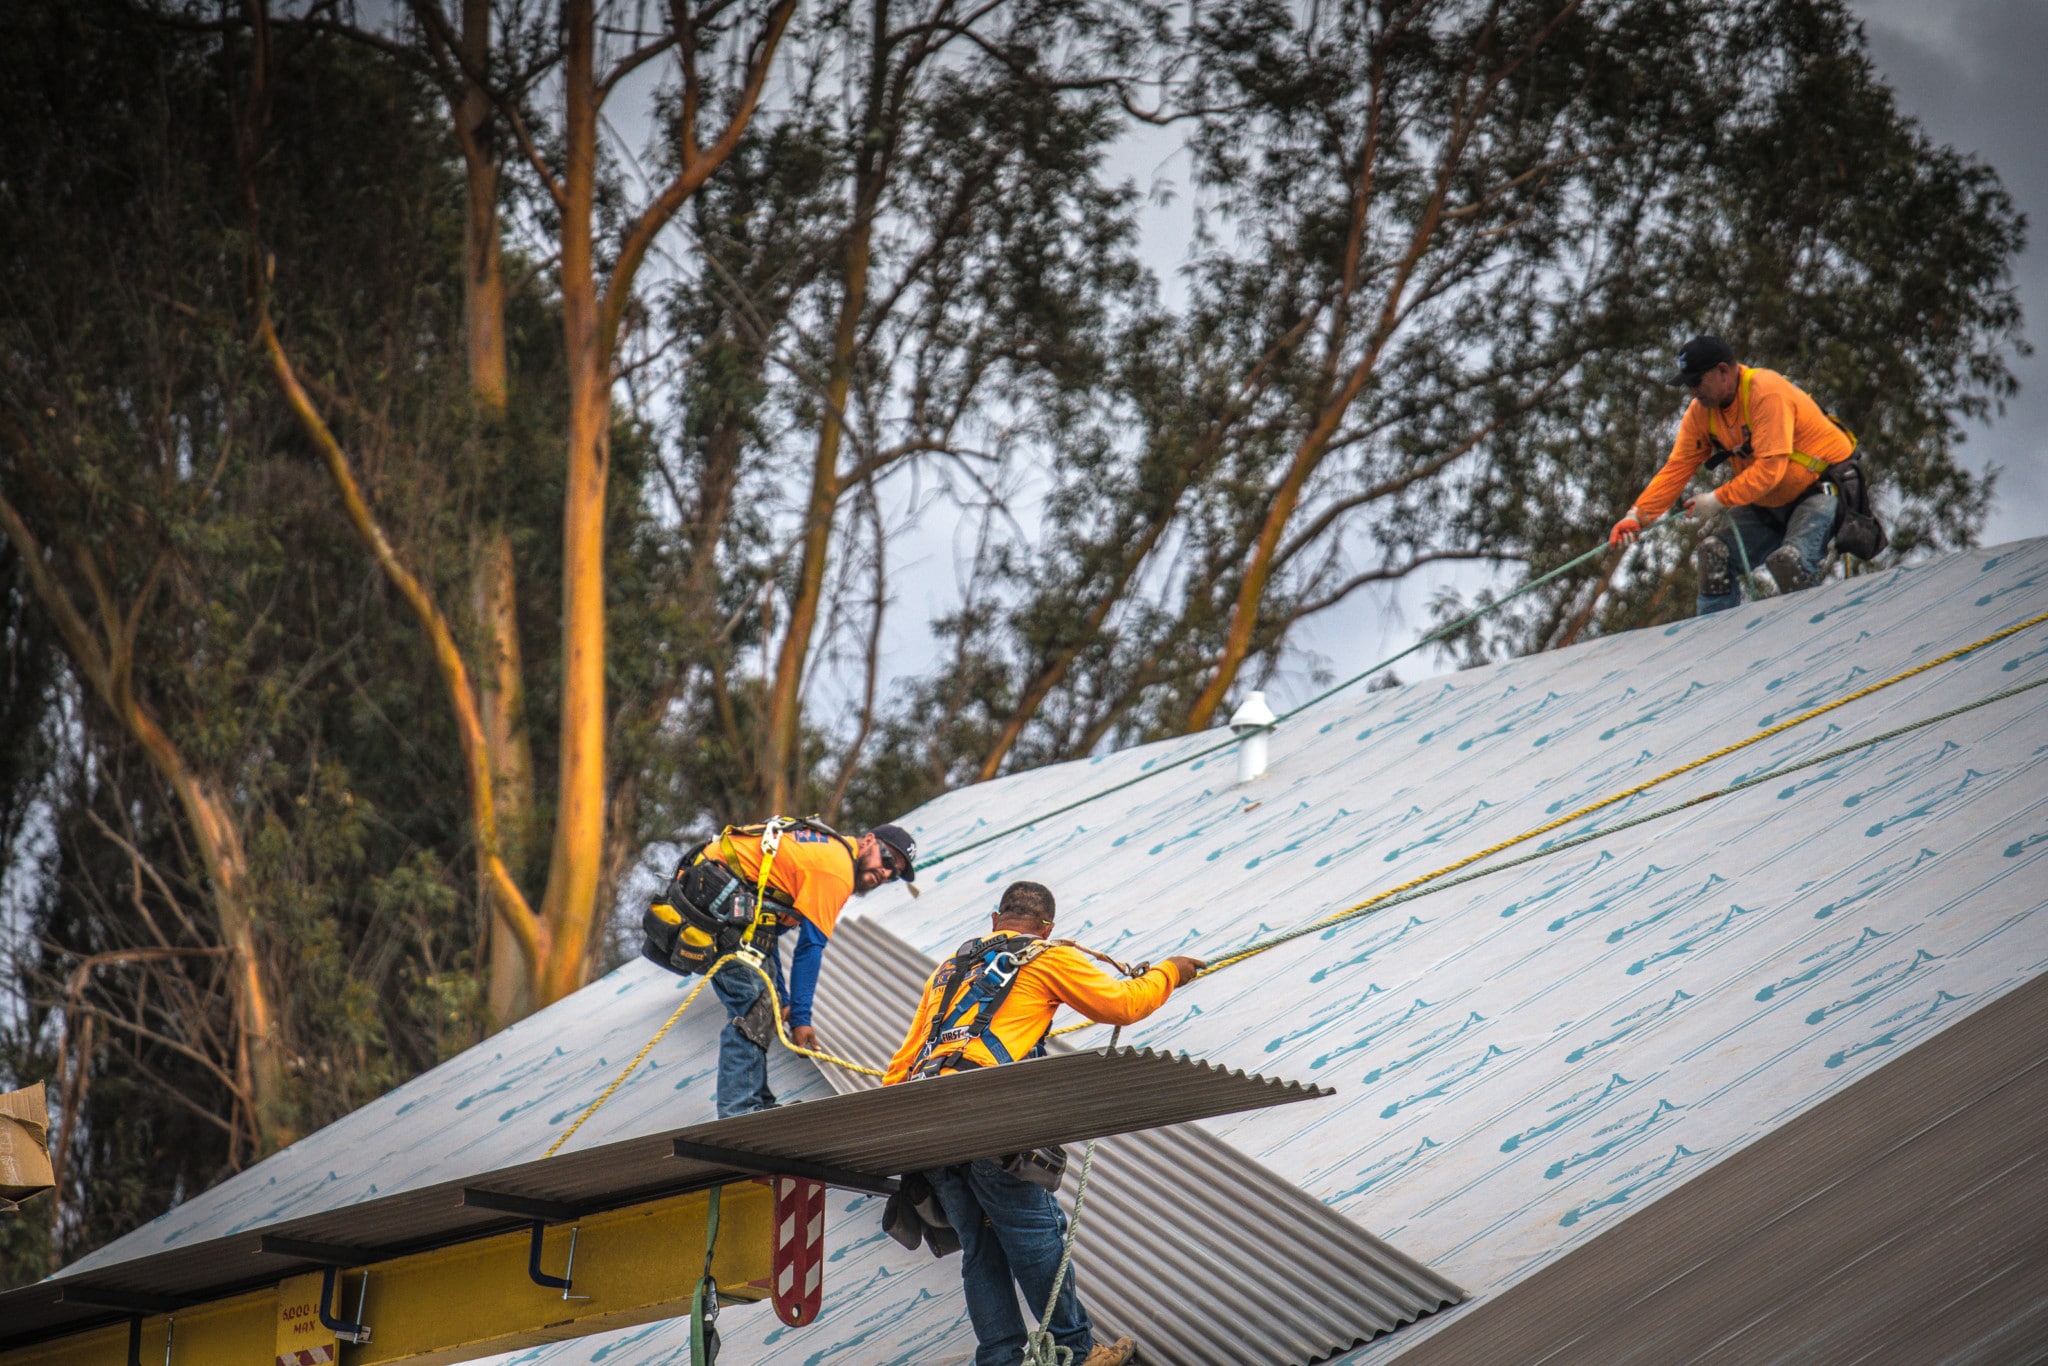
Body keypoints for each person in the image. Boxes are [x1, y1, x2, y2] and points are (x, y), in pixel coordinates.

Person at [882, 881, 1203, 1366]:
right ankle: (1077, 1352)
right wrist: (1170, 972)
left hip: (928, 1122)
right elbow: (1123, 1005)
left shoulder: (949, 969)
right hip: (989, 1120)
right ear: (1047, 928)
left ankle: (1000, 1359)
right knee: (1036, 1239)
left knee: (980, 1249)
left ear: (995, 920)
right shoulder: (1047, 957)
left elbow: (902, 1064)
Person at [1610, 336, 1857, 615]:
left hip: (1818, 492)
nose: (1692, 391)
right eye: (1688, 384)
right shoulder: (1702, 413)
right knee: (1714, 556)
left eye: (1696, 382)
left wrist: (1717, 499)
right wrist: (1637, 516)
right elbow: (1677, 467)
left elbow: (1769, 471)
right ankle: (1713, 645)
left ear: (1723, 371)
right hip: (1767, 502)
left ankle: (1809, 637)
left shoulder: (1766, 392)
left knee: (1790, 564)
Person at [703, 818, 917, 1117]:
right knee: (752, 1008)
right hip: (713, 897)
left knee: (767, 1003)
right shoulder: (836, 869)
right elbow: (809, 947)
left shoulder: (831, 852)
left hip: (727, 902)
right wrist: (801, 1017)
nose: (885, 872)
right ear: (868, 840)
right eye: (887, 859)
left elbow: (766, 929)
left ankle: (756, 1103)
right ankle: (739, 1111)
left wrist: (784, 998)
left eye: (893, 874)